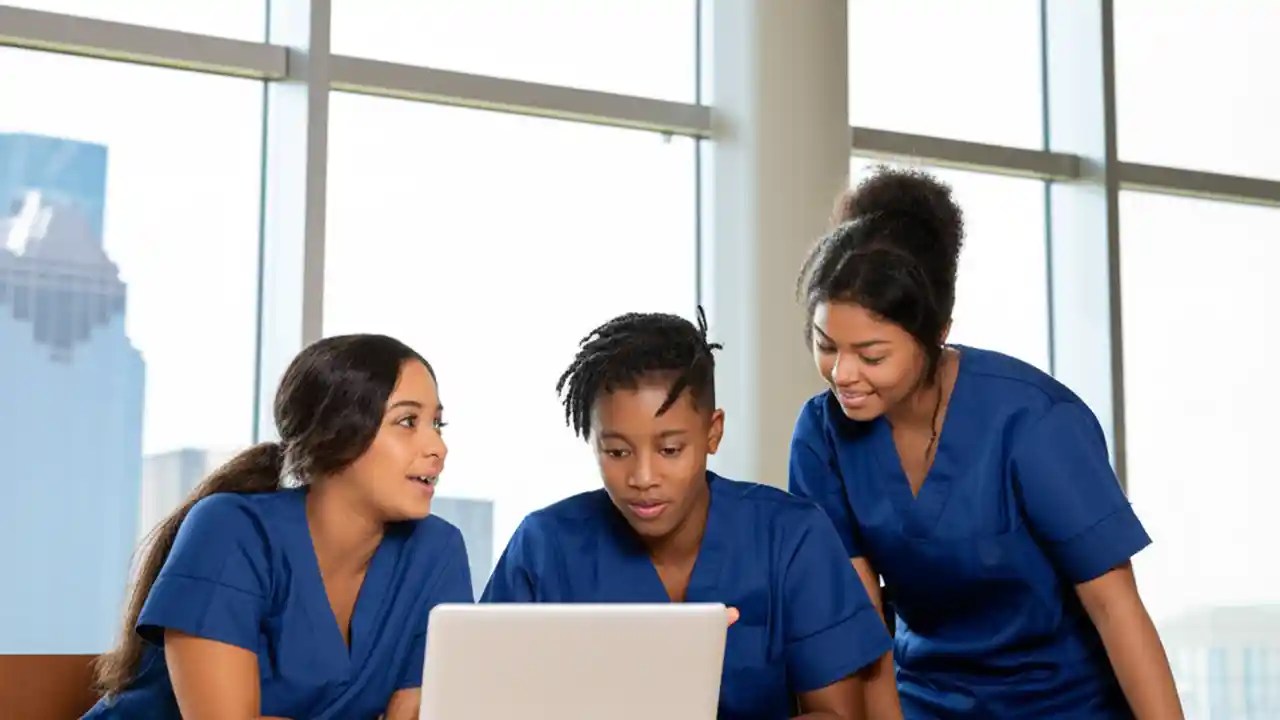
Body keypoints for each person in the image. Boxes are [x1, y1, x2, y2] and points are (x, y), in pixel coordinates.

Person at [788, 167, 1184, 718]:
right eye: (826, 345)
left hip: (1067, 705)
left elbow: (1117, 610)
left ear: (938, 331)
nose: (843, 374)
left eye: (872, 355)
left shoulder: (1036, 422)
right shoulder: (822, 435)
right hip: (926, 702)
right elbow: (862, 624)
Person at [481, 309, 893, 720]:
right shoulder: (544, 549)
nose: (642, 477)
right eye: (617, 452)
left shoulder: (791, 538)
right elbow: (481, 702)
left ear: (713, 432)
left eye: (670, 450)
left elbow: (837, 716)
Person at [84, 334, 473, 720]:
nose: (437, 447)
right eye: (407, 421)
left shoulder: (436, 551)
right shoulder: (229, 530)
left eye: (437, 423)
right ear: (336, 431)